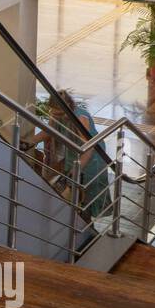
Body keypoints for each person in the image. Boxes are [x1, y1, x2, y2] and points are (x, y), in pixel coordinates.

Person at [31, 90, 112, 219]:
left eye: (59, 113)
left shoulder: (80, 118)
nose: (57, 116)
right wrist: (30, 141)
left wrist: (77, 168)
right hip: (74, 152)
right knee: (72, 187)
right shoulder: (57, 113)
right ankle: (74, 218)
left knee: (87, 189)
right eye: (54, 113)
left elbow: (89, 147)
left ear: (68, 107)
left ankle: (86, 221)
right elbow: (49, 130)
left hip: (92, 156)